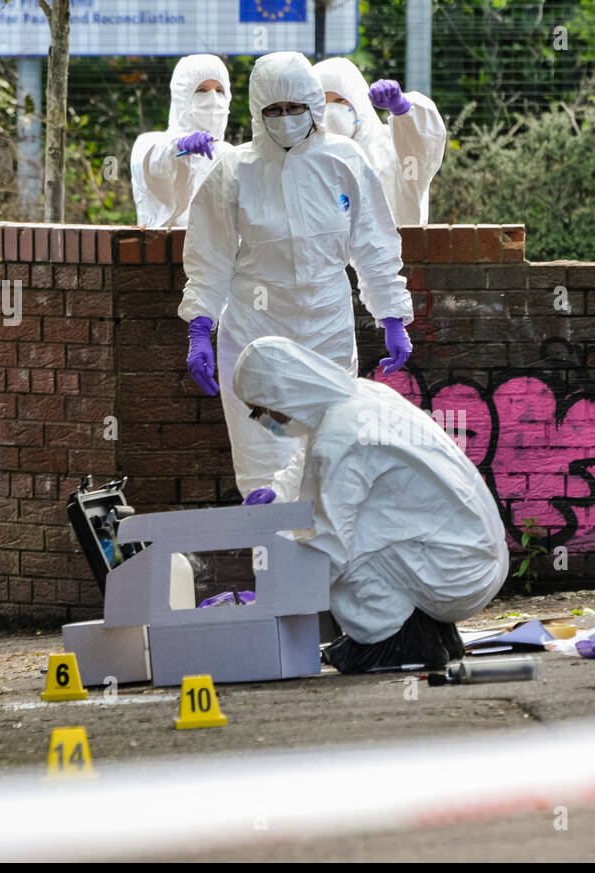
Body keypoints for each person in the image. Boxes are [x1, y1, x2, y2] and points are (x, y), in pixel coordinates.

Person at [179, 51, 414, 497]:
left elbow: (374, 245)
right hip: (254, 338)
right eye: (274, 110)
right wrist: (199, 326)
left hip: (329, 330)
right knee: (263, 471)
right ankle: (267, 563)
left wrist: (392, 317)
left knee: (329, 461)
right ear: (257, 111)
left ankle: (324, 567)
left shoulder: (344, 161)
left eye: (294, 108)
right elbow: (210, 256)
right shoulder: (235, 171)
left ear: (313, 107)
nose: (285, 119)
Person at [232, 336, 509, 673]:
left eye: (261, 408)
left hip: (454, 574)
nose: (264, 420)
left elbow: (328, 546)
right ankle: (431, 633)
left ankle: (392, 642)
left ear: (281, 394)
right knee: (358, 523)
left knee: (324, 542)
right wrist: (277, 492)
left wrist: (274, 592)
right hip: (469, 556)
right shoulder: (360, 396)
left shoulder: (340, 437)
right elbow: (307, 458)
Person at [313, 57, 446, 226]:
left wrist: (404, 110)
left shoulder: (391, 150)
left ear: (358, 99)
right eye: (322, 104)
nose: (331, 112)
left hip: (400, 250)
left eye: (340, 100)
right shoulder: (309, 159)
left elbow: (421, 151)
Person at [130, 55, 235, 228]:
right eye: (202, 90)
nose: (213, 99)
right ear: (182, 96)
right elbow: (156, 161)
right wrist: (180, 146)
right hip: (162, 250)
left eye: (219, 90)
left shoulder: (228, 154)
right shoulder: (149, 143)